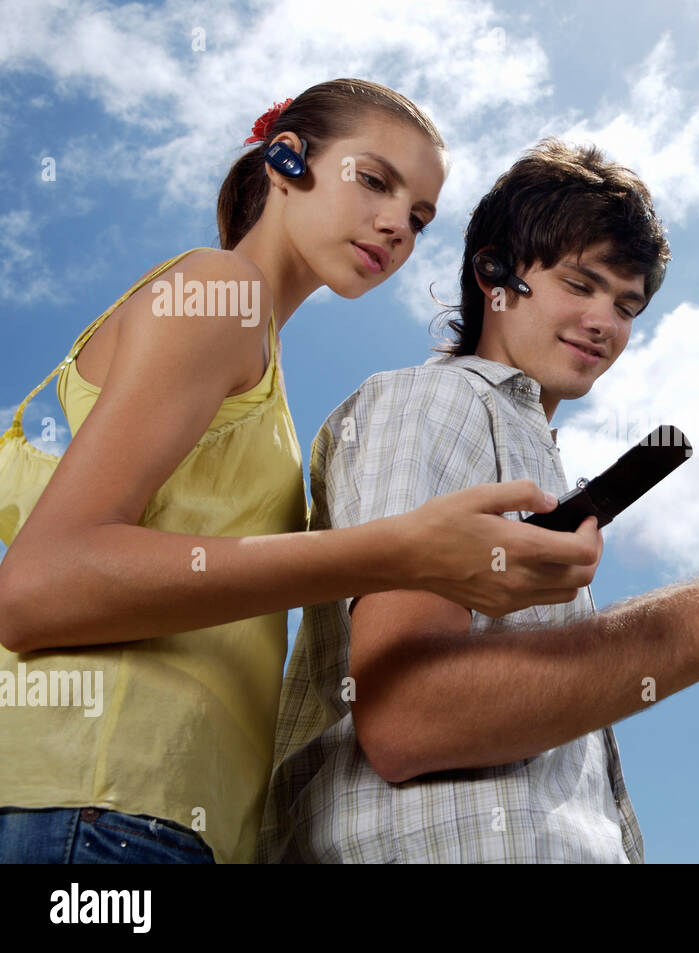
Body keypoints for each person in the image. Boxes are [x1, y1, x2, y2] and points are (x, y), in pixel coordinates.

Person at [258, 138, 699, 863]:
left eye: (626, 303)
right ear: (493, 274)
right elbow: (407, 718)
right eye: (580, 285)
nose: (606, 323)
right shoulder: (435, 402)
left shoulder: (525, 451)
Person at [0, 80, 603, 865]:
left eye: (419, 217)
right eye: (374, 180)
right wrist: (404, 550)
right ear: (286, 161)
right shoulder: (219, 294)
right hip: (97, 808)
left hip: (141, 817)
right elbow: (37, 587)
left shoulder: (251, 351)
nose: (397, 225)